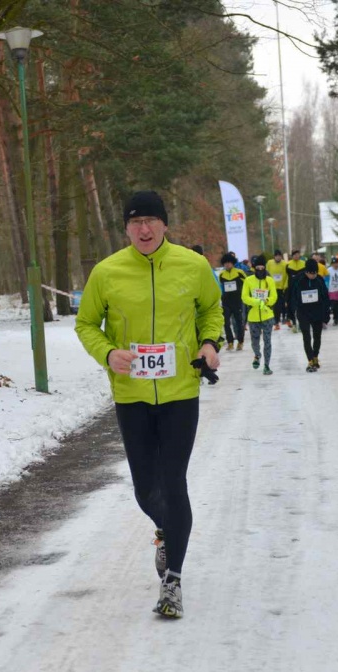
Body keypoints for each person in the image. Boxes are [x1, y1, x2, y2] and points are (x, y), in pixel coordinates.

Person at [75, 190, 223, 618]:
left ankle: (172, 580)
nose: (144, 229)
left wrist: (210, 343)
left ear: (164, 225)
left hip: (180, 393)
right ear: (126, 228)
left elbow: (211, 311)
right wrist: (107, 353)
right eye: (135, 222)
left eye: (151, 221)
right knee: (146, 489)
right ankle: (167, 530)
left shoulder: (193, 266)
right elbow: (86, 324)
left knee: (174, 484)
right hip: (132, 395)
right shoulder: (107, 272)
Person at [289, 258, 331, 371]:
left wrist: (326, 314)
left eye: (314, 273)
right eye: (310, 273)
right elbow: (292, 296)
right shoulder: (298, 279)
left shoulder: (319, 280)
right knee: (306, 336)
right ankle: (310, 360)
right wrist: (292, 312)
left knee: (317, 336)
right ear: (305, 271)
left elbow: (325, 297)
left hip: (317, 312)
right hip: (303, 312)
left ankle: (315, 356)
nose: (312, 276)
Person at [242, 255, 277, 374]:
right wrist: (256, 301)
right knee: (254, 341)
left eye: (262, 268)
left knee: (267, 341)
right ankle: (257, 355)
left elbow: (274, 296)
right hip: (253, 316)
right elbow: (244, 297)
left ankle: (267, 365)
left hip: (267, 315)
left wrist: (267, 301)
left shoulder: (270, 280)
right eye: (258, 268)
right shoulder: (248, 280)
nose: (260, 270)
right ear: (254, 268)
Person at [218, 253, 247, 350]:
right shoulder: (221, 274)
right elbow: (218, 287)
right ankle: (230, 342)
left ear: (233, 263)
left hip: (237, 301)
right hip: (226, 302)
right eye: (225, 263)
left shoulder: (239, 272)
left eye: (229, 263)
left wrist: (245, 295)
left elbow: (247, 283)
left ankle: (240, 341)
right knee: (226, 323)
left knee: (239, 322)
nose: (227, 265)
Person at [266, 250, 289, 330]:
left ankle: (286, 318)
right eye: (276, 256)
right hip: (273, 288)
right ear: (274, 256)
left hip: (282, 288)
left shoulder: (285, 264)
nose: (278, 257)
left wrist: (285, 286)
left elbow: (287, 275)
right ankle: (276, 322)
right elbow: (267, 273)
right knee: (276, 306)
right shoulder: (269, 263)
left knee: (284, 305)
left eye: (279, 256)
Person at [285, 250, 306, 330]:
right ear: (292, 256)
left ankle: (302, 323)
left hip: (302, 288)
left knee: (302, 306)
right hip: (291, 288)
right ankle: (294, 322)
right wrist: (285, 287)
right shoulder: (288, 265)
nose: (297, 256)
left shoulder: (304, 264)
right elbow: (286, 277)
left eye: (298, 254)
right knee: (292, 306)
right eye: (295, 255)